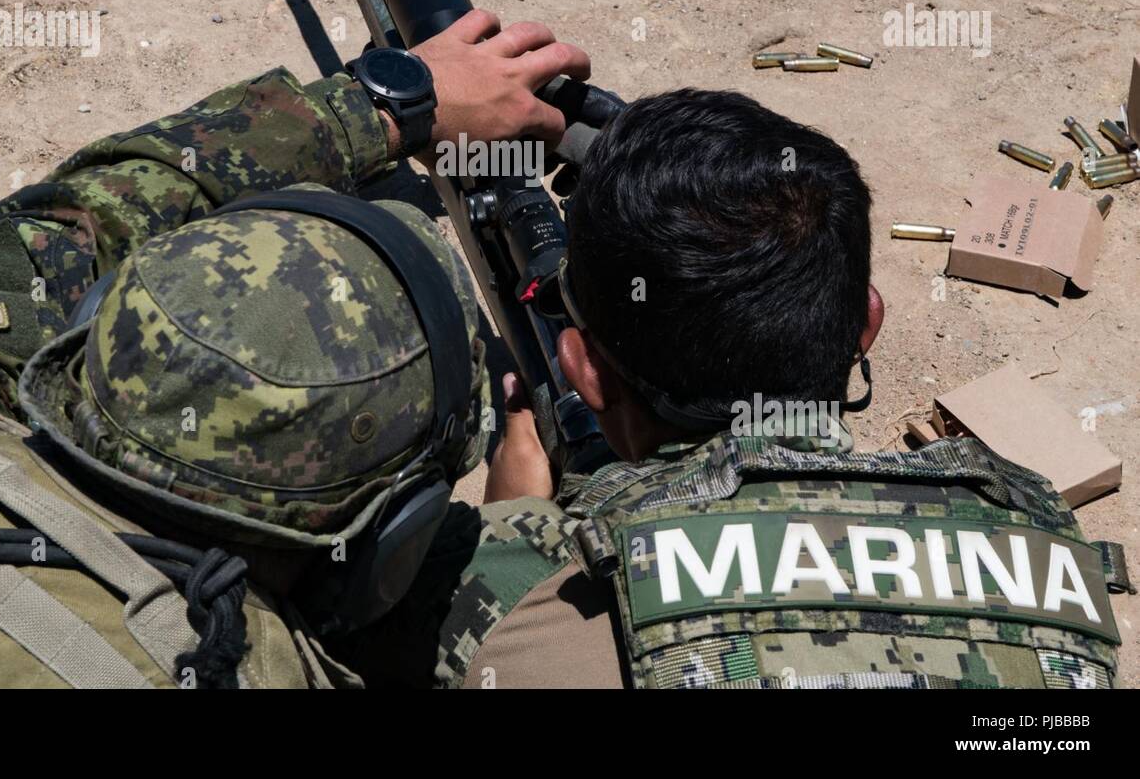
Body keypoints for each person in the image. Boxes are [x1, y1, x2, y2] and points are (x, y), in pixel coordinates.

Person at [0, 10, 589, 688]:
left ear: (96, 328)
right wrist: (508, 549)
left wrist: (385, 104)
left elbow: (73, 230)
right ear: (386, 555)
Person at [329, 90, 1129, 690]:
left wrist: (514, 525)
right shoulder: (1037, 535)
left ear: (583, 370)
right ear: (866, 323)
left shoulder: (517, 586)